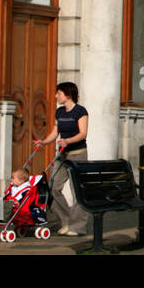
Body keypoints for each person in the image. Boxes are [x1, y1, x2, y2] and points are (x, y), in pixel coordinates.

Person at [35, 81, 89, 236]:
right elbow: (55, 132)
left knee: (77, 190)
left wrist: (68, 141)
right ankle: (66, 221)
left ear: (68, 94)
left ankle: (78, 227)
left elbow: (83, 133)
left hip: (77, 154)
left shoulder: (80, 111)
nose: (56, 96)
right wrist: (44, 142)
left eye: (59, 93)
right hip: (62, 155)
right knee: (53, 187)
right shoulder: (59, 112)